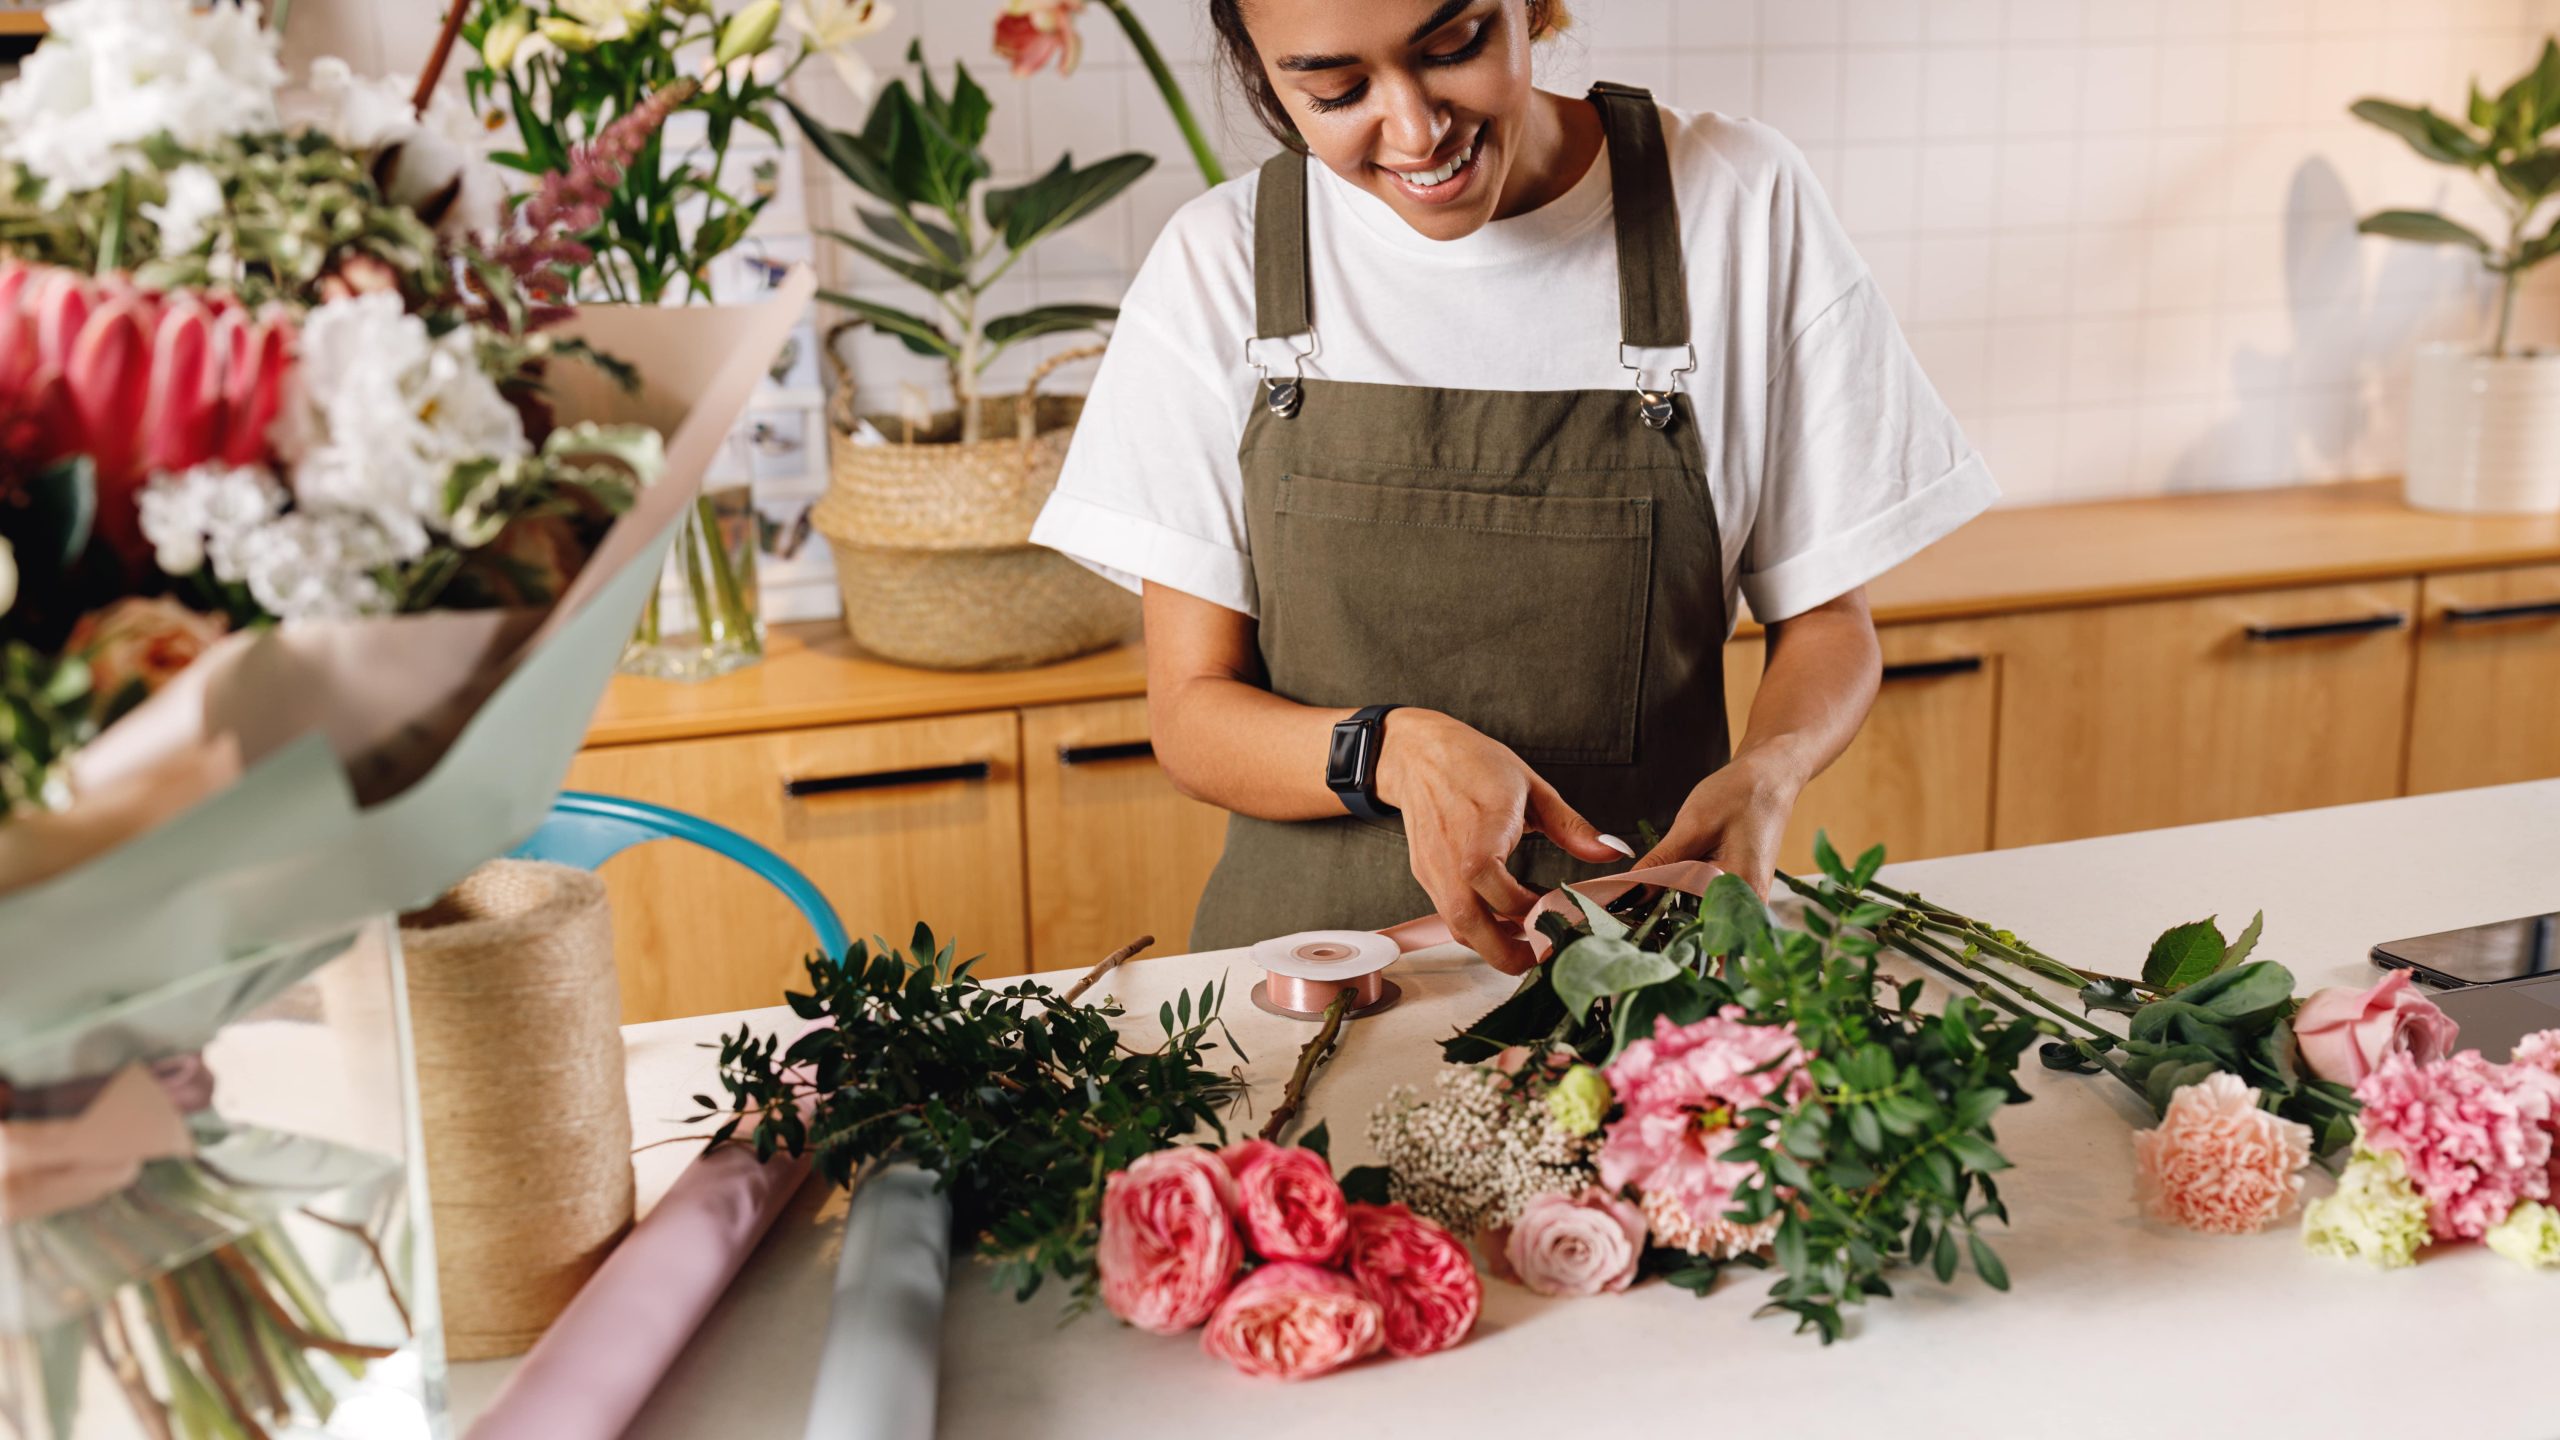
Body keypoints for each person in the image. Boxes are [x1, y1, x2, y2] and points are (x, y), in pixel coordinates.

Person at [1029, 0, 1995, 973]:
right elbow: (1191, 715)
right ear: (1265, 77)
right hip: (1310, 982)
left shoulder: (1735, 204)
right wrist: (1393, 752)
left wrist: (1769, 771)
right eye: (1334, 89)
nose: (1414, 131)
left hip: (1643, 974)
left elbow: (1825, 620)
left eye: (1453, 47)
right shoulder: (1221, 261)